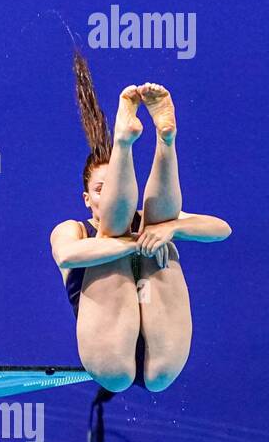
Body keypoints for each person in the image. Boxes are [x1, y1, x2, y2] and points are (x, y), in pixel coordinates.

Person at [50, 52, 231, 392]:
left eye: (114, 185)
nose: (109, 193)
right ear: (87, 199)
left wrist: (171, 228)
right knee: (115, 236)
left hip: (162, 352)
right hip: (109, 350)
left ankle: (166, 140)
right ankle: (124, 142)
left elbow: (222, 229)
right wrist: (134, 243)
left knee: (158, 223)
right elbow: (67, 256)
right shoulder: (72, 228)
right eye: (101, 189)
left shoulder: (149, 222)